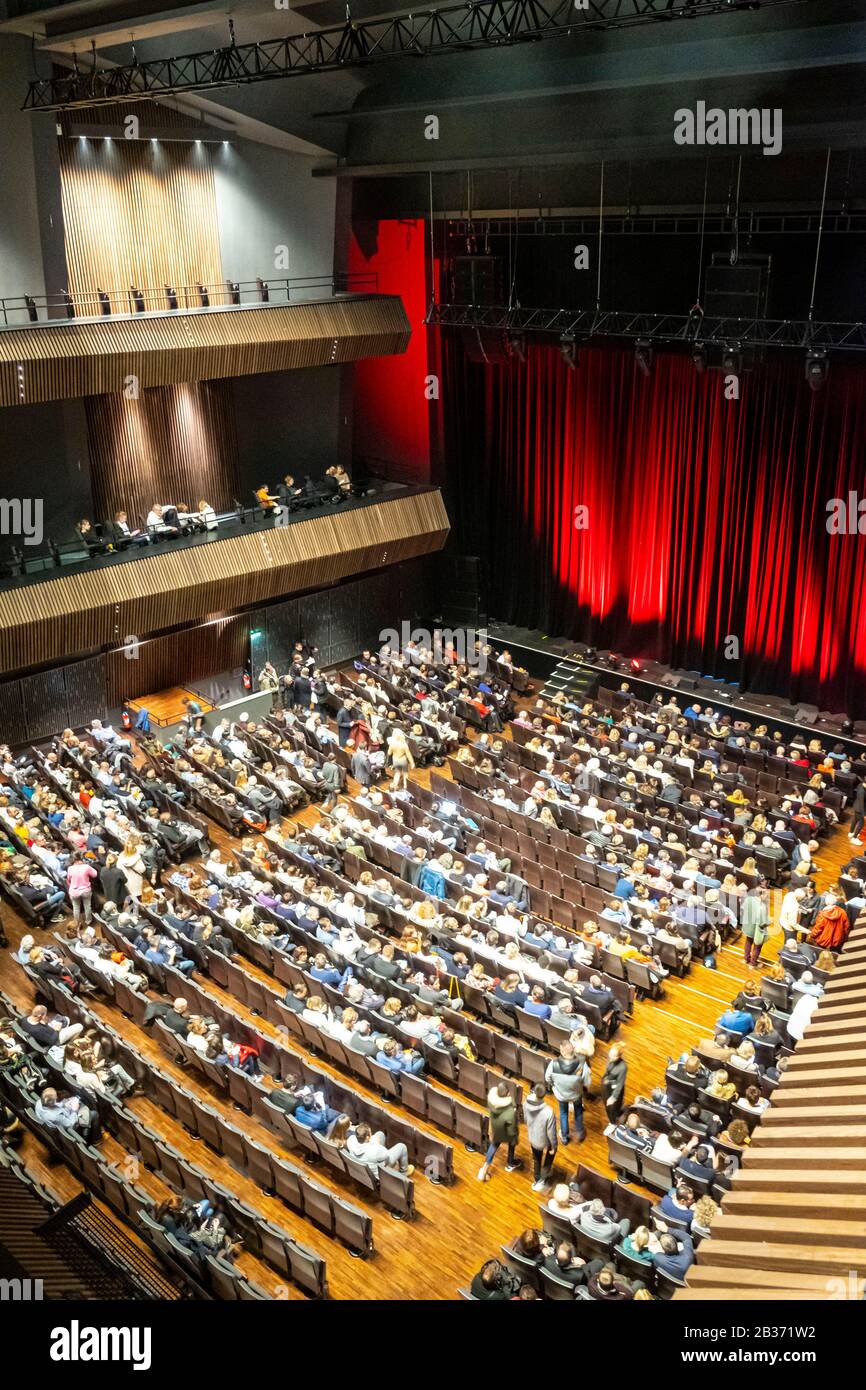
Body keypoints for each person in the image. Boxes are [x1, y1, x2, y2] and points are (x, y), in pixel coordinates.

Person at [477, 1082, 522, 1181]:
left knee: (493, 1146)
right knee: (512, 1143)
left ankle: (484, 1168)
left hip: (494, 1127)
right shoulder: (509, 1107)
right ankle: (510, 1163)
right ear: (507, 1094)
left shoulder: (492, 1100)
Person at [545, 1041, 585, 1145]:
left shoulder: (554, 1064)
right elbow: (584, 1079)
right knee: (578, 1111)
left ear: (563, 1052)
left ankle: (565, 1137)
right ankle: (580, 1132)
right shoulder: (581, 1062)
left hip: (561, 1095)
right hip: (576, 1094)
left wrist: (555, 1085)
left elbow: (547, 1078)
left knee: (563, 1114)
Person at [523, 1082, 558, 1190]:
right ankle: (542, 1179)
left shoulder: (526, 1103)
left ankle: (537, 1179)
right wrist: (554, 1146)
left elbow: (525, 1119)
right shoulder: (549, 1112)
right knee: (550, 1156)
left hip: (533, 1137)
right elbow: (551, 1132)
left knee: (536, 1159)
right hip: (544, 1140)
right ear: (544, 1095)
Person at [66, 853, 97, 925]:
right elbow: (95, 875)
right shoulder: (86, 867)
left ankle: (76, 923)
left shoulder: (70, 868)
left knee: (76, 908)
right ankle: (88, 921)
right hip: (85, 890)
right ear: (80, 858)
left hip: (74, 891)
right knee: (87, 906)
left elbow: (68, 879)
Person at [602, 1042, 627, 1124]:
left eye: (614, 1056)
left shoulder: (623, 1067)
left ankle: (612, 1123)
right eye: (611, 1054)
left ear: (619, 1056)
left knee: (612, 1108)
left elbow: (620, 1084)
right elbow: (608, 1070)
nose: (611, 1057)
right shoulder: (611, 1059)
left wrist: (613, 1097)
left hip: (616, 1090)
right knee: (608, 1106)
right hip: (608, 1086)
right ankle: (615, 1115)